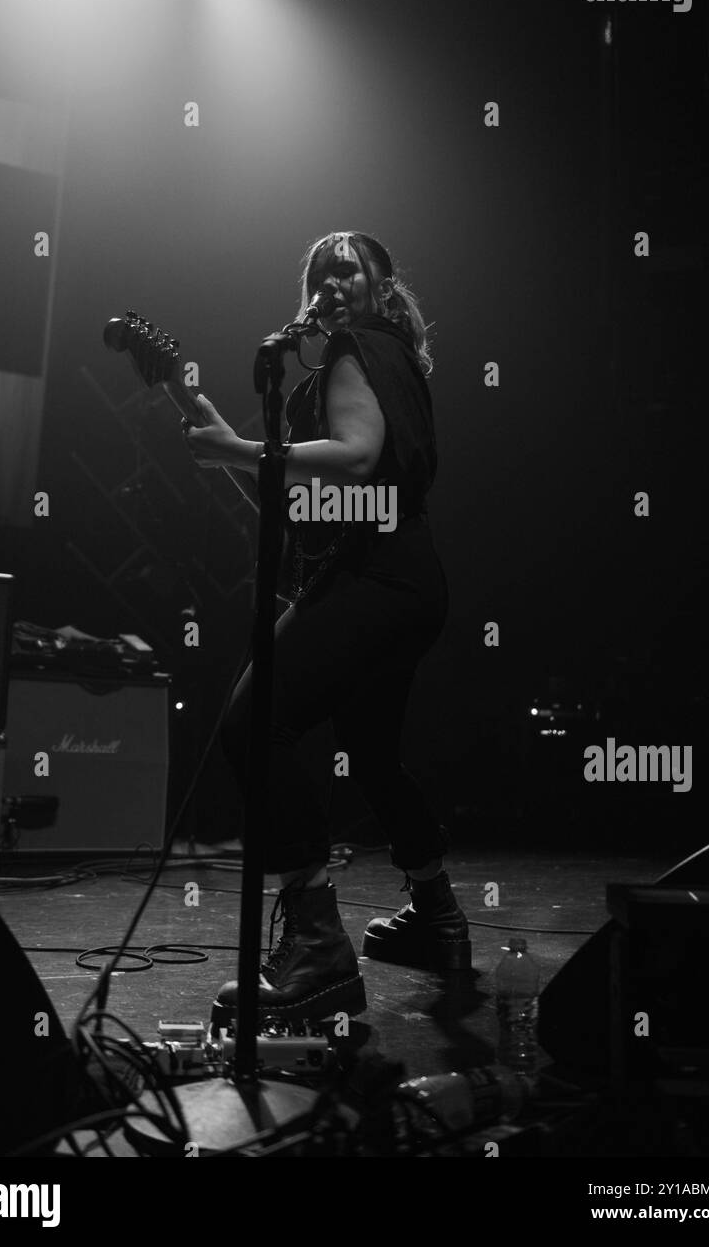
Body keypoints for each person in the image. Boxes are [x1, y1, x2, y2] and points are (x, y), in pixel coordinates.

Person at [182, 231, 469, 1028]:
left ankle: (317, 947)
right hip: (407, 581)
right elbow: (322, 503)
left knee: (251, 724)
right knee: (375, 757)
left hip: (376, 582)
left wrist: (240, 449)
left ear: (380, 286)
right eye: (319, 271)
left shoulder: (353, 349)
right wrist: (238, 460)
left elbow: (353, 455)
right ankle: (440, 921)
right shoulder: (389, 358)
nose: (332, 279)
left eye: (349, 267)